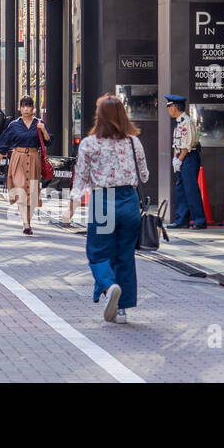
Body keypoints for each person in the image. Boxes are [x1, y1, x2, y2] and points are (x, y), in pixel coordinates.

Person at [66, 94, 149, 323]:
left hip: (104, 201)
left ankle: (108, 286)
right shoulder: (133, 141)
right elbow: (144, 174)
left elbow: (80, 179)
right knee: (125, 255)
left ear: (99, 116)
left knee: (98, 252)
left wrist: (71, 207)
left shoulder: (90, 144)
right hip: (129, 201)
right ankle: (121, 310)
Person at [0, 95, 50, 235]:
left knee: (32, 191)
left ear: (33, 108)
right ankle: (25, 223)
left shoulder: (39, 123)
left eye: (28, 106)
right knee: (20, 189)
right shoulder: (14, 125)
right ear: (20, 108)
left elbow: (48, 141)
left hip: (33, 158)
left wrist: (43, 130)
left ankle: (28, 222)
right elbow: (4, 145)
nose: (26, 109)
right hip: (18, 158)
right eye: (23, 106)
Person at [165, 94, 206, 229]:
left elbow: (186, 145)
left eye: (169, 107)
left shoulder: (186, 122)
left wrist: (179, 159)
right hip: (181, 157)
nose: (168, 110)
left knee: (190, 189)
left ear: (175, 107)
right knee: (180, 189)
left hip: (188, 156)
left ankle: (199, 220)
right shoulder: (179, 122)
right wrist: (174, 160)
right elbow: (176, 144)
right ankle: (181, 220)